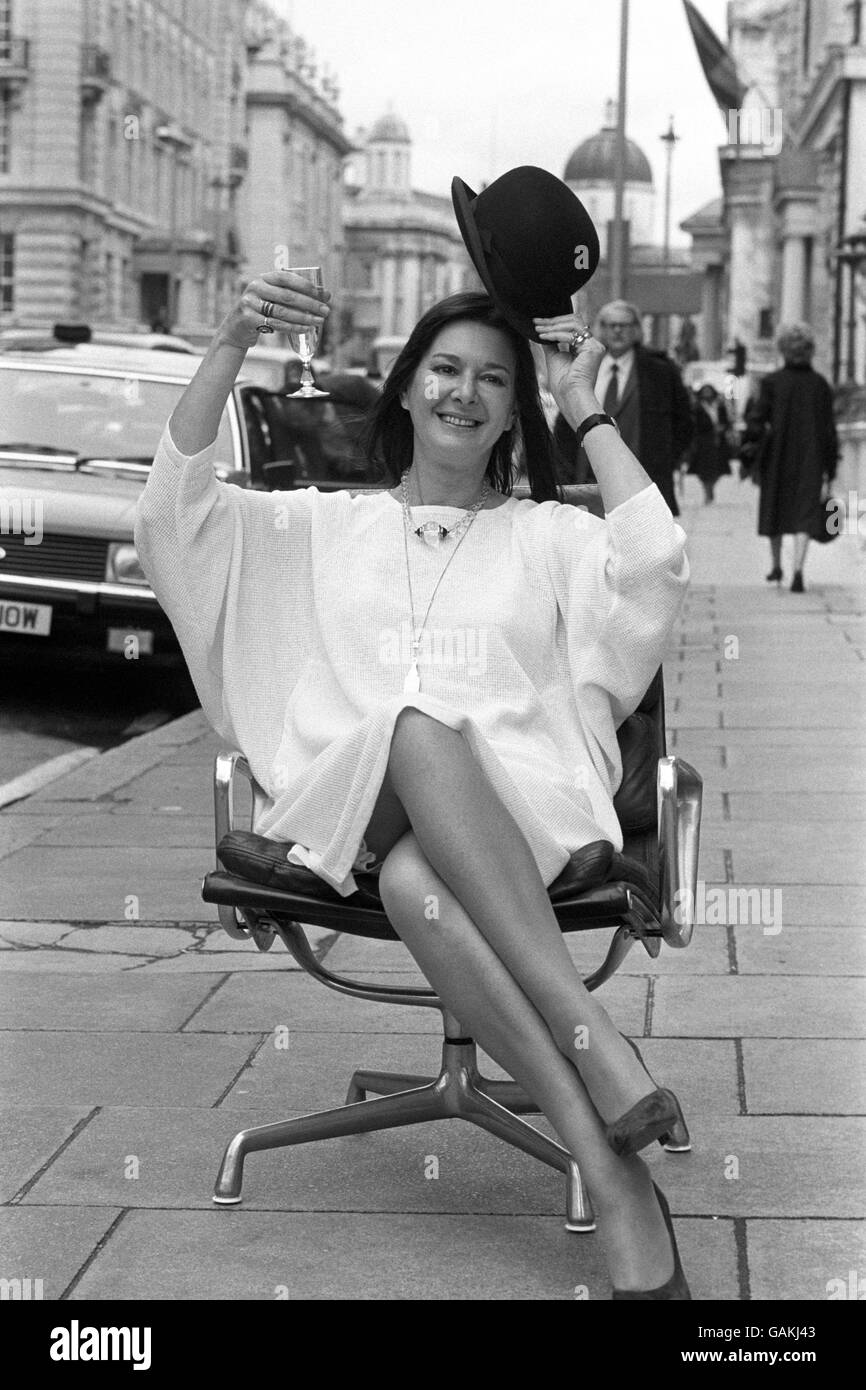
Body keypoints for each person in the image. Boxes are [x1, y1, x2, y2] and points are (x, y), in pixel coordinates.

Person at [134, 270, 692, 1300]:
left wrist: (582, 401)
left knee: (411, 879)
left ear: (513, 410)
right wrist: (230, 343)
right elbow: (174, 520)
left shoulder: (547, 536)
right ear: (404, 388)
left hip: (515, 817)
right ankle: (596, 1044)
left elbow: (655, 558)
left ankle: (608, 1169)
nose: (462, 392)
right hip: (349, 801)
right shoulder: (321, 527)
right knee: (410, 724)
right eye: (443, 369)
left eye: (493, 378)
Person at [566, 299, 694, 516]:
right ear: (601, 328)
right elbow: (566, 419)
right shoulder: (583, 365)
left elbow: (684, 423)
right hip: (587, 482)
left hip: (644, 482)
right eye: (611, 325)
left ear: (636, 329)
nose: (617, 331)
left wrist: (664, 461)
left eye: (624, 325)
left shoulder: (660, 371)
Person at [742, 322, 838, 592]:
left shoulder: (772, 383)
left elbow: (756, 421)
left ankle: (776, 566)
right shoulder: (820, 385)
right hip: (811, 456)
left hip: (778, 455)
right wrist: (830, 468)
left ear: (782, 350)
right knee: (805, 512)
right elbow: (829, 430)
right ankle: (798, 570)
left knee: (775, 508)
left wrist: (751, 448)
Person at [688, 383, 732, 504]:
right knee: (703, 469)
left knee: (718, 467)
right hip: (703, 441)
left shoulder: (720, 406)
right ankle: (707, 490)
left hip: (718, 441)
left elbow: (726, 421)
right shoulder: (697, 407)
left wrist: (722, 428)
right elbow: (694, 425)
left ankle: (711, 487)